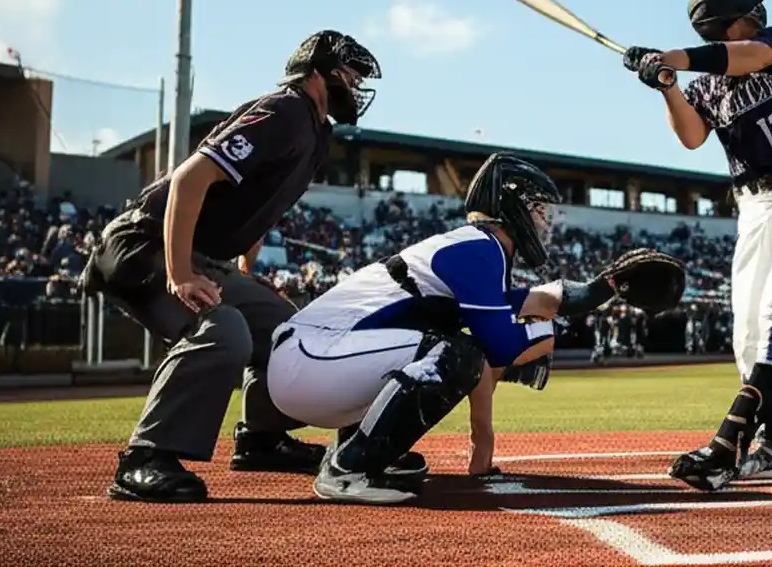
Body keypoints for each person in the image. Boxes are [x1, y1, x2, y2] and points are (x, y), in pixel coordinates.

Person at [264, 153, 682, 504]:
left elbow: (540, 299)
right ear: (513, 207)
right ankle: (348, 468)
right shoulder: (480, 248)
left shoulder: (474, 250)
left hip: (315, 361)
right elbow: (497, 346)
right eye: (538, 209)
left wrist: (604, 286)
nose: (544, 221)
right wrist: (539, 341)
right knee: (460, 354)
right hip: (310, 360)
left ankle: (359, 452)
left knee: (456, 350)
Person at [82, 30, 382, 502]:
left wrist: (244, 267)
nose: (356, 85)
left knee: (289, 330)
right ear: (318, 75)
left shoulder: (315, 130)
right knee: (224, 330)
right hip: (144, 244)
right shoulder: (285, 110)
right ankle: (145, 456)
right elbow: (190, 178)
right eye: (349, 74)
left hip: (203, 254)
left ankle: (262, 438)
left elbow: (262, 205)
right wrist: (180, 273)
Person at [622, 0, 772, 491]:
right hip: (754, 208)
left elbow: (749, 56)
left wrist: (673, 57)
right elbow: (691, 136)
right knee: (747, 337)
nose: (760, 16)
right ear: (723, 25)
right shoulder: (705, 81)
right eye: (748, 12)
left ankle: (727, 444)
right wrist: (667, 85)